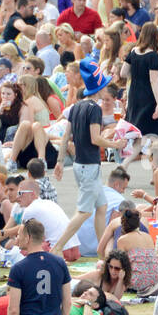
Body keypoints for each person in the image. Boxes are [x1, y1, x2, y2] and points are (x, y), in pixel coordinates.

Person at [53, 60, 122, 256]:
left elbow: (66, 135)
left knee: (102, 206)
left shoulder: (75, 107)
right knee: (83, 212)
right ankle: (58, 247)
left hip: (80, 164)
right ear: (99, 88)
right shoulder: (95, 109)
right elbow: (95, 138)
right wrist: (115, 144)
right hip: (89, 166)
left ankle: (102, 251)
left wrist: (59, 161)